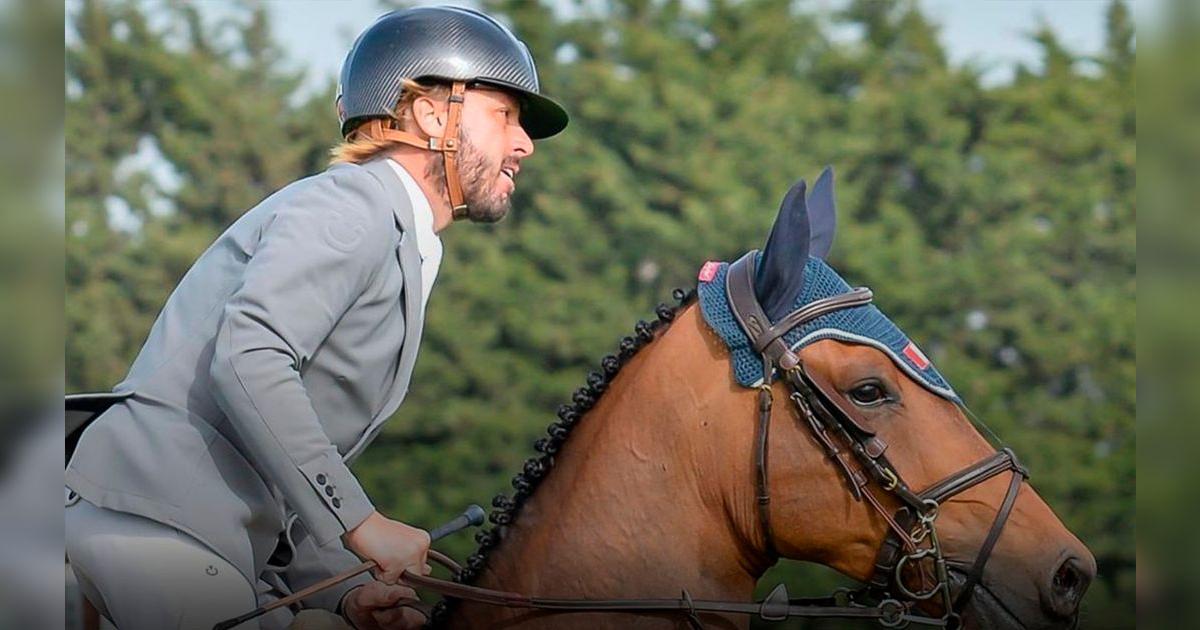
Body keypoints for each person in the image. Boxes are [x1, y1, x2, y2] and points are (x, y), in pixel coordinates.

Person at [64, 6, 568, 630]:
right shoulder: (353, 204)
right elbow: (249, 358)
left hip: (195, 538)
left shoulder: (397, 237)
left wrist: (342, 591)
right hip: (155, 526)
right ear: (432, 114)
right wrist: (363, 524)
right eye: (505, 115)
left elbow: (281, 461)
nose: (524, 143)